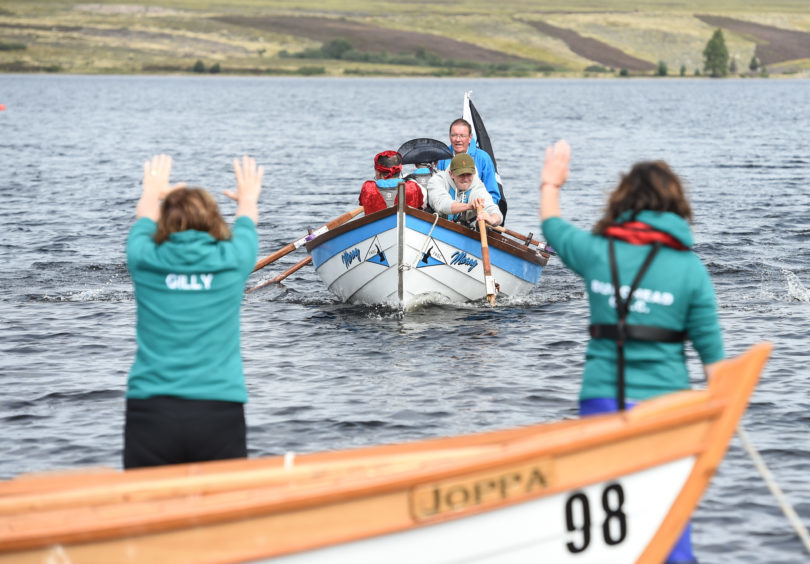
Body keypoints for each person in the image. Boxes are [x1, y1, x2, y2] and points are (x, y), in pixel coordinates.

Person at [539, 140, 724, 564]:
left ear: (623, 200)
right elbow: (716, 368)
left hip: (601, 403)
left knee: (608, 529)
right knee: (669, 524)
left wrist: (551, 181)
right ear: (676, 204)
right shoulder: (690, 269)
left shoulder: (599, 252)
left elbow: (552, 226)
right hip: (666, 409)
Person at [124, 154, 263, 469]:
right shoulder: (235, 258)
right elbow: (246, 218)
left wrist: (153, 192)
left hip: (151, 409)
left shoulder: (143, 257)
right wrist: (248, 196)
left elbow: (143, 216)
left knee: (150, 513)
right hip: (219, 408)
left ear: (164, 221)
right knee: (221, 514)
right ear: (213, 219)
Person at [437, 118, 502, 210]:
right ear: (449, 136)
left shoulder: (483, 158)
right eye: (454, 135)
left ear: (470, 138)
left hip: (476, 212)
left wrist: (484, 211)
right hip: (448, 211)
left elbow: (493, 194)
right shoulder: (442, 157)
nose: (458, 139)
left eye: (462, 136)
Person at [427, 153, 502, 228]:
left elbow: (494, 210)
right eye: (461, 174)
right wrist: (468, 206)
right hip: (435, 225)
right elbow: (442, 204)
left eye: (468, 174)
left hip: (464, 230)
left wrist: (492, 219)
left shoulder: (478, 188)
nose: (465, 179)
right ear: (451, 174)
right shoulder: (437, 181)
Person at [359, 150, 423, 215]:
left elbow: (362, 203)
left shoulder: (367, 187)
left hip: (375, 224)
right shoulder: (413, 186)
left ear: (378, 172)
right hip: (407, 223)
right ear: (400, 170)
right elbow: (420, 205)